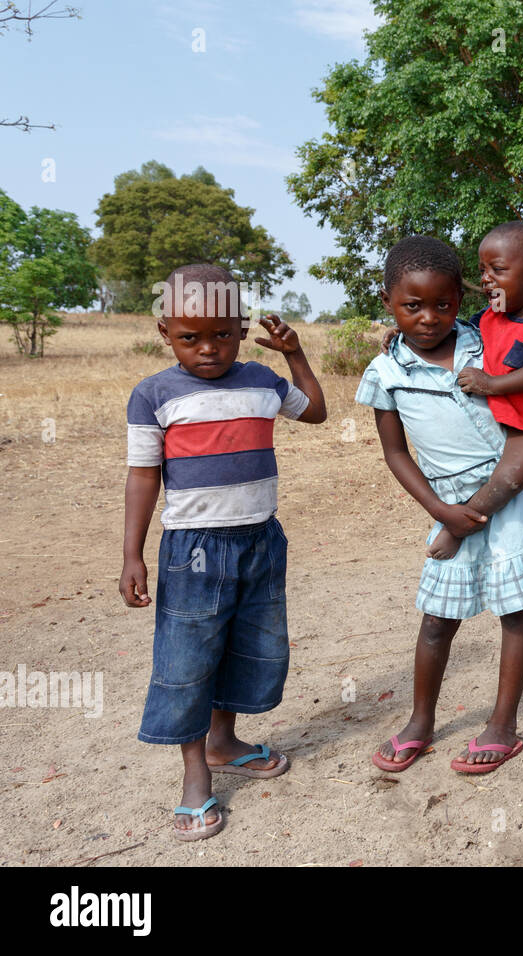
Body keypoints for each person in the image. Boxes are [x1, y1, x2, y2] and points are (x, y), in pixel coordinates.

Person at [360, 235, 523, 774]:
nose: (429, 318)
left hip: (512, 490)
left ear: (458, 303)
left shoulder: (481, 339)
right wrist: (440, 512)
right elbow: (396, 454)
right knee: (437, 620)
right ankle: (421, 721)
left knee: (514, 610)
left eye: (443, 304)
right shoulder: (384, 373)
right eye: (412, 306)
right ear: (389, 300)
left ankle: (503, 726)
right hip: (448, 502)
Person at [121, 263, 327, 841]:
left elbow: (315, 411)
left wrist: (294, 354)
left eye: (223, 335)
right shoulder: (154, 395)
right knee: (188, 660)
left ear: (241, 329)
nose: (208, 349)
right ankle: (194, 777)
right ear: (165, 332)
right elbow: (142, 476)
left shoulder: (261, 381)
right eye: (191, 337)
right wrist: (133, 554)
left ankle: (222, 741)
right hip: (194, 550)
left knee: (248, 645)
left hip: (261, 538)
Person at [422, 220, 523, 561]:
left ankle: (456, 529)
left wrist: (490, 384)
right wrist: (402, 336)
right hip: (504, 418)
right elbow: (453, 333)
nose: (485, 279)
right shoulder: (492, 315)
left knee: (507, 481)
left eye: (497, 270)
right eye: (482, 270)